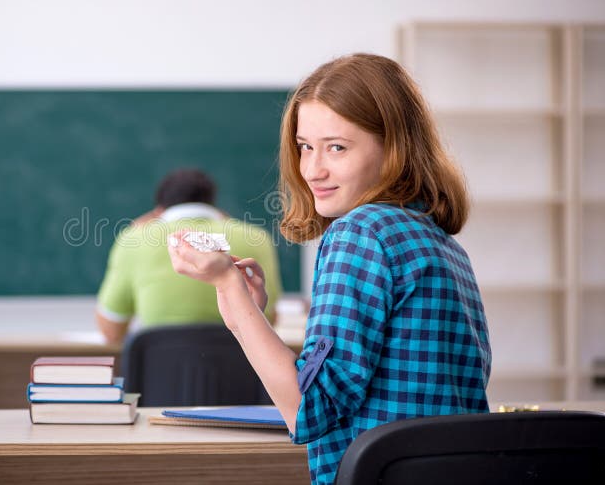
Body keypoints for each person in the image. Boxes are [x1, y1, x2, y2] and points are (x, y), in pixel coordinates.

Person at [167, 54, 491, 485]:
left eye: (337, 147)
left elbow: (308, 410)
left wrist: (228, 284)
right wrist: (243, 311)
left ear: (393, 146)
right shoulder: (439, 241)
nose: (313, 170)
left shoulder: (361, 231)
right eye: (305, 147)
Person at [95, 168, 283, 344]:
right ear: (212, 202)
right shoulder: (256, 238)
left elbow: (112, 331)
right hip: (242, 373)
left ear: (159, 210)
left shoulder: (133, 239)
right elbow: (268, 319)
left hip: (161, 372)